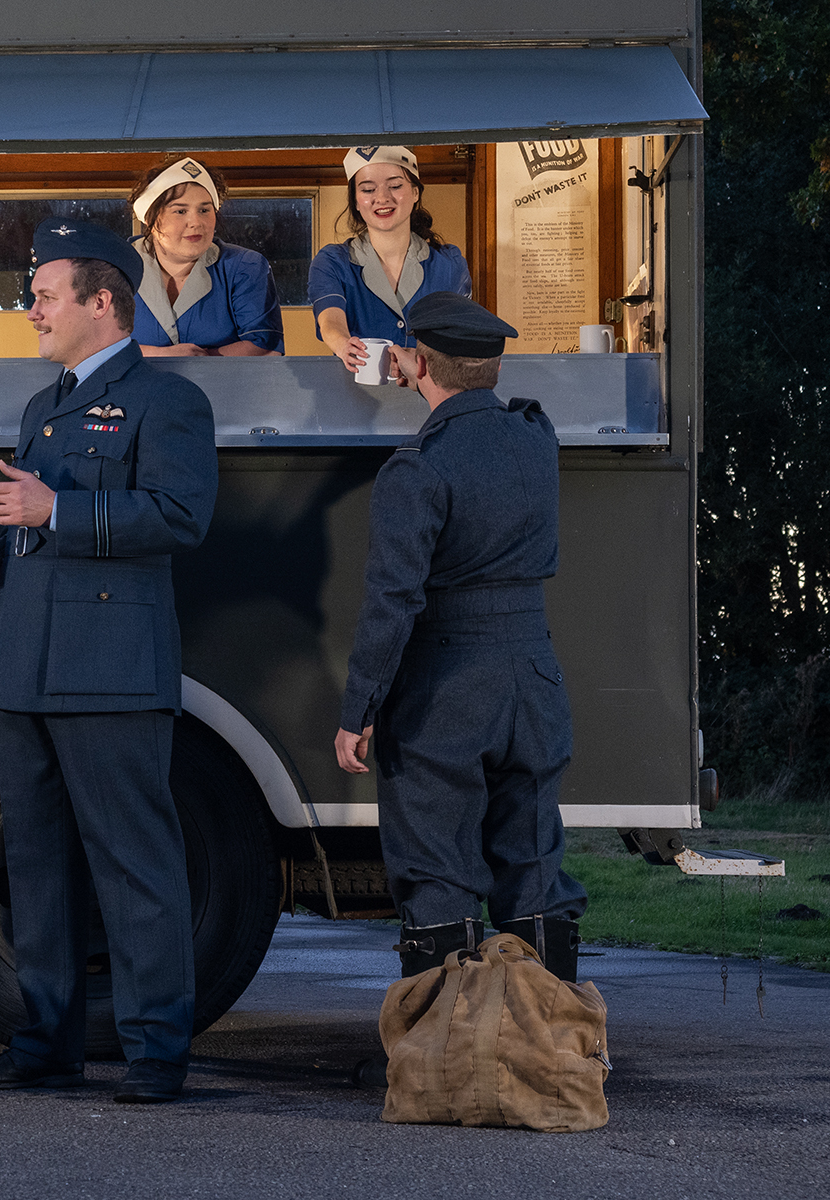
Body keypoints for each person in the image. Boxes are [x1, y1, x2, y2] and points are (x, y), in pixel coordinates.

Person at [0, 219, 218, 1104]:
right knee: (36, 866)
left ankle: (156, 1054)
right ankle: (44, 1044)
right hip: (26, 663)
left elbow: (181, 518)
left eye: (44, 295)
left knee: (135, 864)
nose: (31, 310)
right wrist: (3, 551)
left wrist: (54, 511)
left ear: (102, 302)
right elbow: (47, 526)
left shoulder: (167, 400)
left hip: (110, 668)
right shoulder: (44, 404)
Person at [332, 291, 587, 988]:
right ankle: (547, 1054)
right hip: (532, 674)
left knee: (437, 868)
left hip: (448, 686)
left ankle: (444, 1061)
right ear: (493, 370)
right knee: (533, 864)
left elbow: (394, 600)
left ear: (414, 363)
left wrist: (359, 709)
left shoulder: (417, 468)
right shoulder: (537, 439)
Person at [308, 146, 471, 381]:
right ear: (355, 199)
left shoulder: (450, 264)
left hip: (432, 396)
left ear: (415, 193)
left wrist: (427, 357)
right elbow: (330, 318)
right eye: (367, 189)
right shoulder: (333, 262)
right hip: (358, 399)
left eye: (395, 186)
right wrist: (343, 344)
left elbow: (462, 337)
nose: (382, 198)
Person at [127, 155, 283, 357]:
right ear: (150, 218)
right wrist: (161, 355)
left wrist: (203, 360)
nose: (196, 222)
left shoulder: (244, 267)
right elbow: (88, 348)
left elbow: (265, 346)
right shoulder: (114, 268)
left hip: (224, 387)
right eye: (180, 211)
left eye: (204, 210)